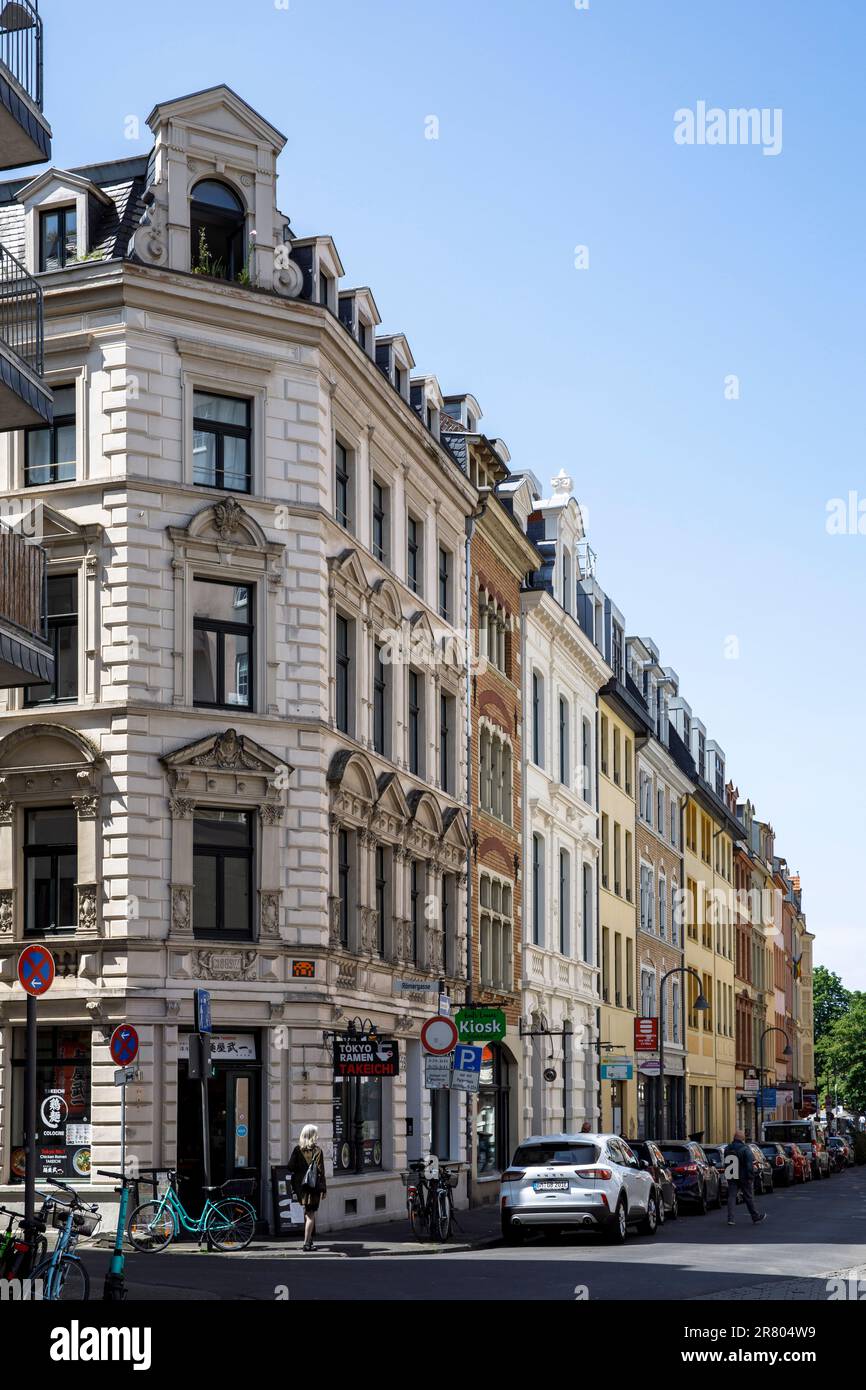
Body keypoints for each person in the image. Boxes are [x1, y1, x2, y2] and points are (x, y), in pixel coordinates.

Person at [289, 1123, 327, 1251]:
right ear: (312, 1136)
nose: (317, 1136)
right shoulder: (317, 1151)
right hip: (313, 1186)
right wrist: (324, 1189)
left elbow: (290, 1167)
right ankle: (306, 1243)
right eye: (315, 1134)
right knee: (311, 1214)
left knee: (307, 1212)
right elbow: (321, 1172)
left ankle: (309, 1240)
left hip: (301, 1188)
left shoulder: (297, 1149)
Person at [724, 1130, 766, 1227]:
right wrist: (750, 1177)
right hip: (743, 1176)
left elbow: (726, 1163)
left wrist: (728, 1175)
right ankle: (755, 1216)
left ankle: (731, 1218)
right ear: (742, 1139)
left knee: (731, 1196)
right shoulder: (745, 1149)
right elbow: (749, 1165)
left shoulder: (727, 1148)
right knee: (748, 1197)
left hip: (731, 1175)